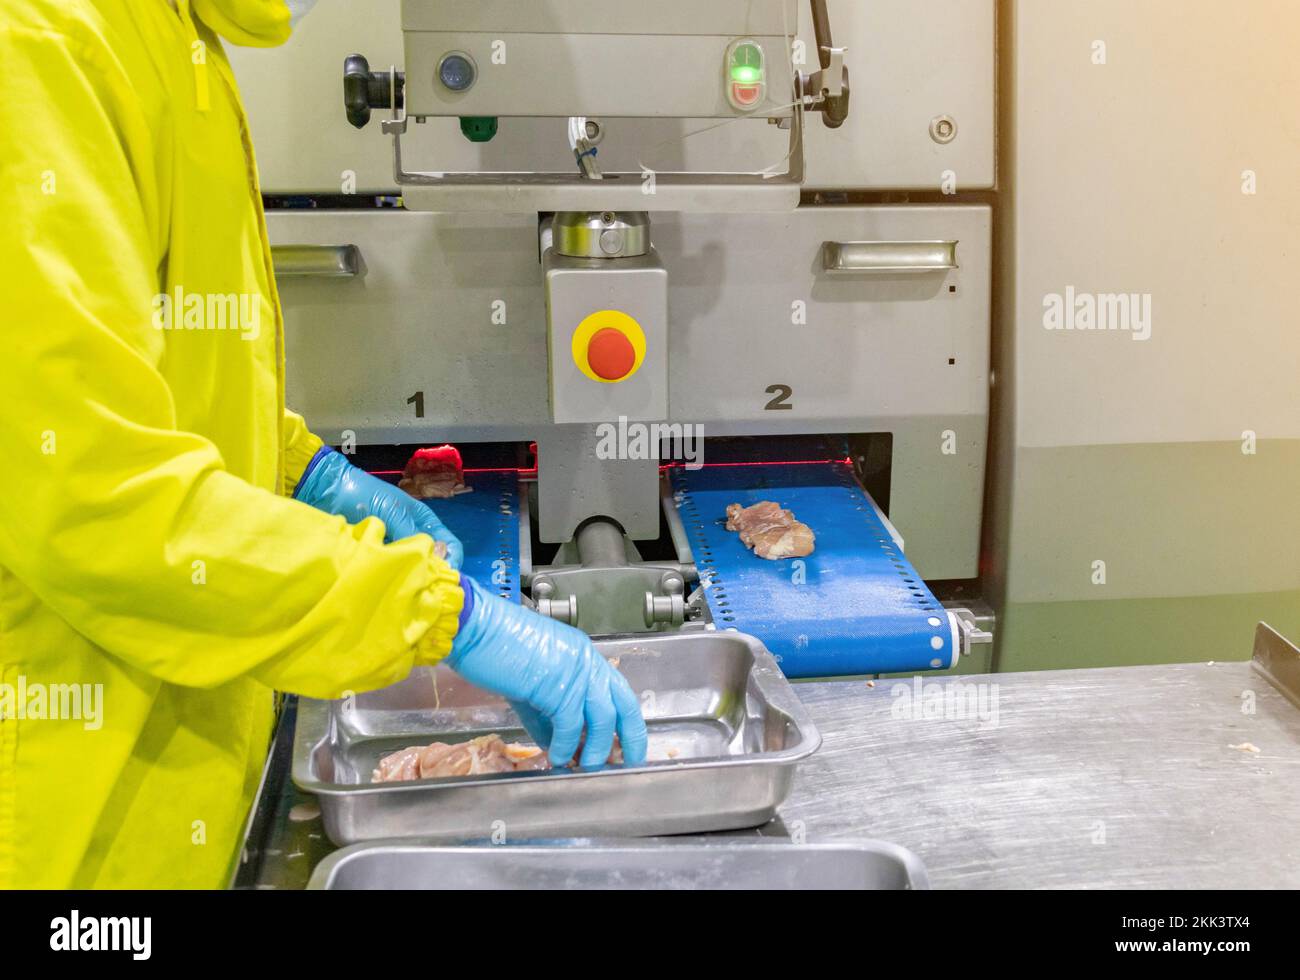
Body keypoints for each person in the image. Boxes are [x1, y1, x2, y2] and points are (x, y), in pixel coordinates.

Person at [0, 0, 646, 889]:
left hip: (174, 786)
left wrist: (304, 475)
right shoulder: (42, 48)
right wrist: (442, 615)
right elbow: (91, 499)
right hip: (62, 830)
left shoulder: (171, 35)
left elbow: (171, 385)